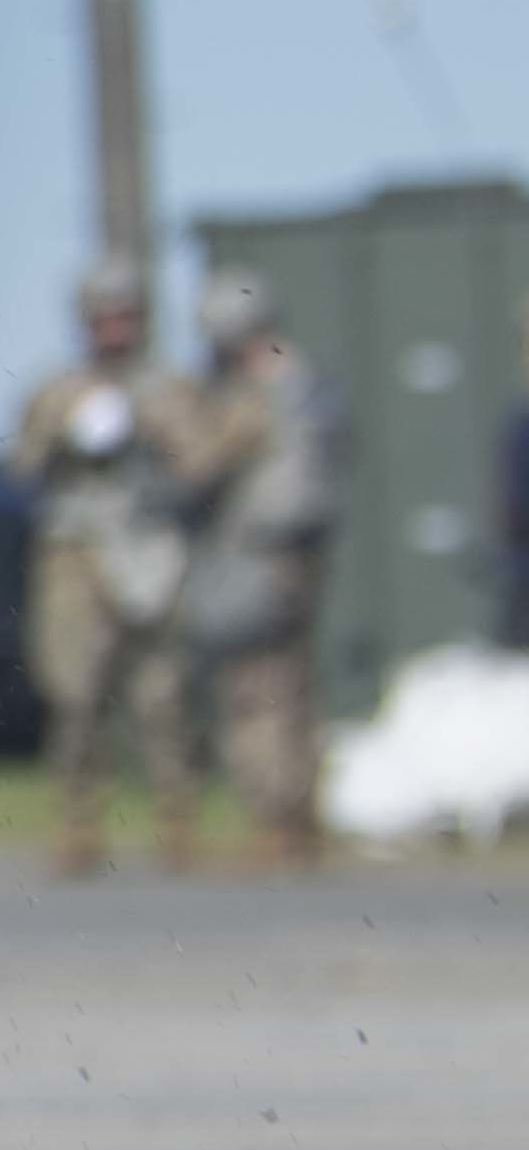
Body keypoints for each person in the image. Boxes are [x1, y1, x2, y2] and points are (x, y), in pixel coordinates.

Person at [29, 259, 258, 879]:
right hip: (76, 554)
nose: (114, 331)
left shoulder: (171, 388)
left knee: (165, 697)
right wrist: (64, 428)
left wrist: (159, 430)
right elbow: (21, 464)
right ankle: (77, 828)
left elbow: (207, 463)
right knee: (76, 696)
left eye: (125, 317)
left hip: (151, 553)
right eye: (102, 319)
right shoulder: (60, 389)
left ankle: (177, 826)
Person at [193, 271, 343, 863]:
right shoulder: (305, 382)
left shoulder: (262, 390)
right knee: (290, 685)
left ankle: (277, 820)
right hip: (291, 553)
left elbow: (207, 464)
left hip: (259, 553)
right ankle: (299, 818)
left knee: (256, 691)